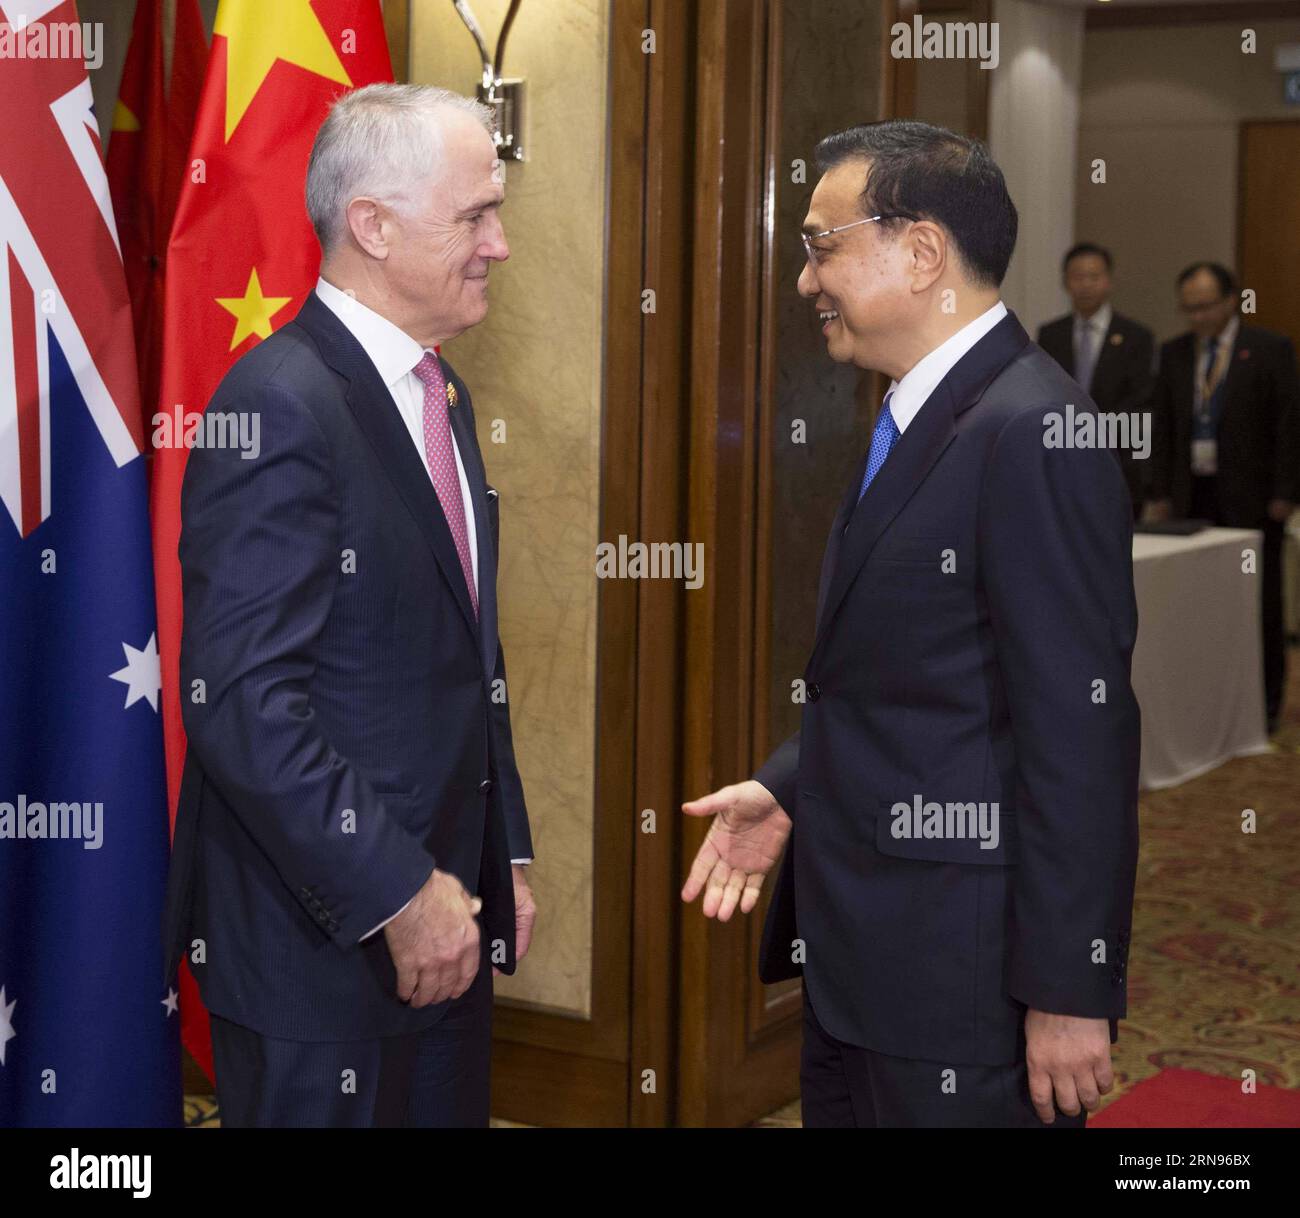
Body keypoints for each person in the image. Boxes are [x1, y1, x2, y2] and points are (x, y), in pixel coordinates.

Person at [682, 121, 1139, 1128]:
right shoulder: (917, 413)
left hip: (961, 983)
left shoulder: (1032, 431)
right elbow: (913, 671)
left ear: (921, 251)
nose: (805, 281)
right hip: (866, 961)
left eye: (820, 244)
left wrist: (1069, 988)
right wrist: (787, 784)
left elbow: (1080, 733)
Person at [161, 84, 536, 1127]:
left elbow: (469, 651)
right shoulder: (278, 401)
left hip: (440, 918)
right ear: (372, 225)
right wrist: (396, 892)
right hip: (319, 945)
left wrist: (499, 853)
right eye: (475, 216)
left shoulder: (439, 393)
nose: (498, 245)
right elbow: (241, 702)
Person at [1146, 262, 1300, 734]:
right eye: (1189, 308)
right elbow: (1163, 427)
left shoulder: (1269, 349)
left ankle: (1267, 705)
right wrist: (1158, 492)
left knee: (1260, 602)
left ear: (1231, 300)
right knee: (1197, 599)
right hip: (1194, 493)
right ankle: (1204, 701)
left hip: (1252, 497)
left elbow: (1290, 425)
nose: (1197, 317)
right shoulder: (1173, 353)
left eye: (1206, 306)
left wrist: (1285, 492)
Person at [1037, 242, 1155, 517]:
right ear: (1065, 282)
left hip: (1119, 457)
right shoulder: (1051, 334)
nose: (1086, 285)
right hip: (1062, 455)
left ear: (1108, 281)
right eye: (1078, 277)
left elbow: (1140, 401)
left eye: (1094, 276)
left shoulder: (1136, 336)